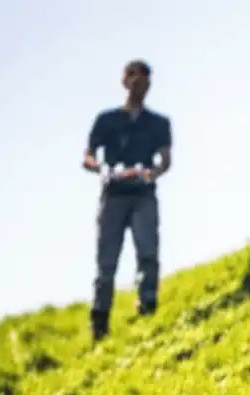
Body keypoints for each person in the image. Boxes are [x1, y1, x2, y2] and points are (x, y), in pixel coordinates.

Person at [82, 59, 173, 341]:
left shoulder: (158, 123)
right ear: (124, 81)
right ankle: (100, 319)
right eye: (132, 76)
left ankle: (147, 305)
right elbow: (87, 156)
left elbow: (166, 160)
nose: (137, 83)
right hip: (114, 194)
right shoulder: (107, 120)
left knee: (148, 252)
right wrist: (104, 169)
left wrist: (153, 172)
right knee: (106, 259)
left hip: (143, 193)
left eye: (143, 78)